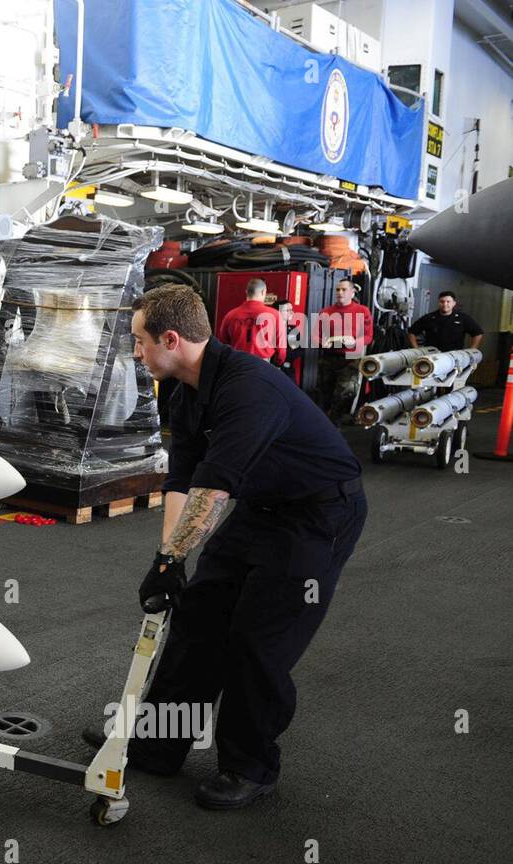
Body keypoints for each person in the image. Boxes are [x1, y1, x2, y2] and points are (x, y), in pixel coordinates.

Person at [84, 284, 368, 810]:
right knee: (199, 622)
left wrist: (171, 558)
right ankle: (157, 744)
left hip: (317, 515)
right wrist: (168, 559)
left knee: (258, 641)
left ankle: (250, 767)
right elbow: (186, 479)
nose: (137, 352)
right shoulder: (184, 387)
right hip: (260, 509)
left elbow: (215, 490)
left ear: (171, 339)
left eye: (140, 341)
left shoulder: (248, 390)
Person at [313, 278, 373, 422]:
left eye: (344, 290)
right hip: (329, 357)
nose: (340, 292)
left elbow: (369, 336)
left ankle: (334, 423)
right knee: (324, 394)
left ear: (352, 293)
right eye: (338, 290)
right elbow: (315, 335)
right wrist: (322, 342)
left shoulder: (362, 311)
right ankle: (325, 422)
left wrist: (355, 341)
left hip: (350, 358)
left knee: (345, 393)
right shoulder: (326, 312)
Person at [218, 277, 286, 366]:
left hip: (237, 363)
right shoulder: (274, 315)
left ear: (246, 292)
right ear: (263, 292)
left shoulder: (230, 315)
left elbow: (222, 343)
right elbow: (281, 345)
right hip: (263, 364)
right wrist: (279, 362)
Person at [407, 291, 483, 353]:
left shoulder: (462, 318)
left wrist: (471, 351)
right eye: (442, 301)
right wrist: (417, 350)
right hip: (432, 356)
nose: (445, 304)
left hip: (454, 356)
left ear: (454, 303)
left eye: (448, 301)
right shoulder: (429, 318)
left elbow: (478, 333)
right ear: (438, 303)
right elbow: (411, 332)